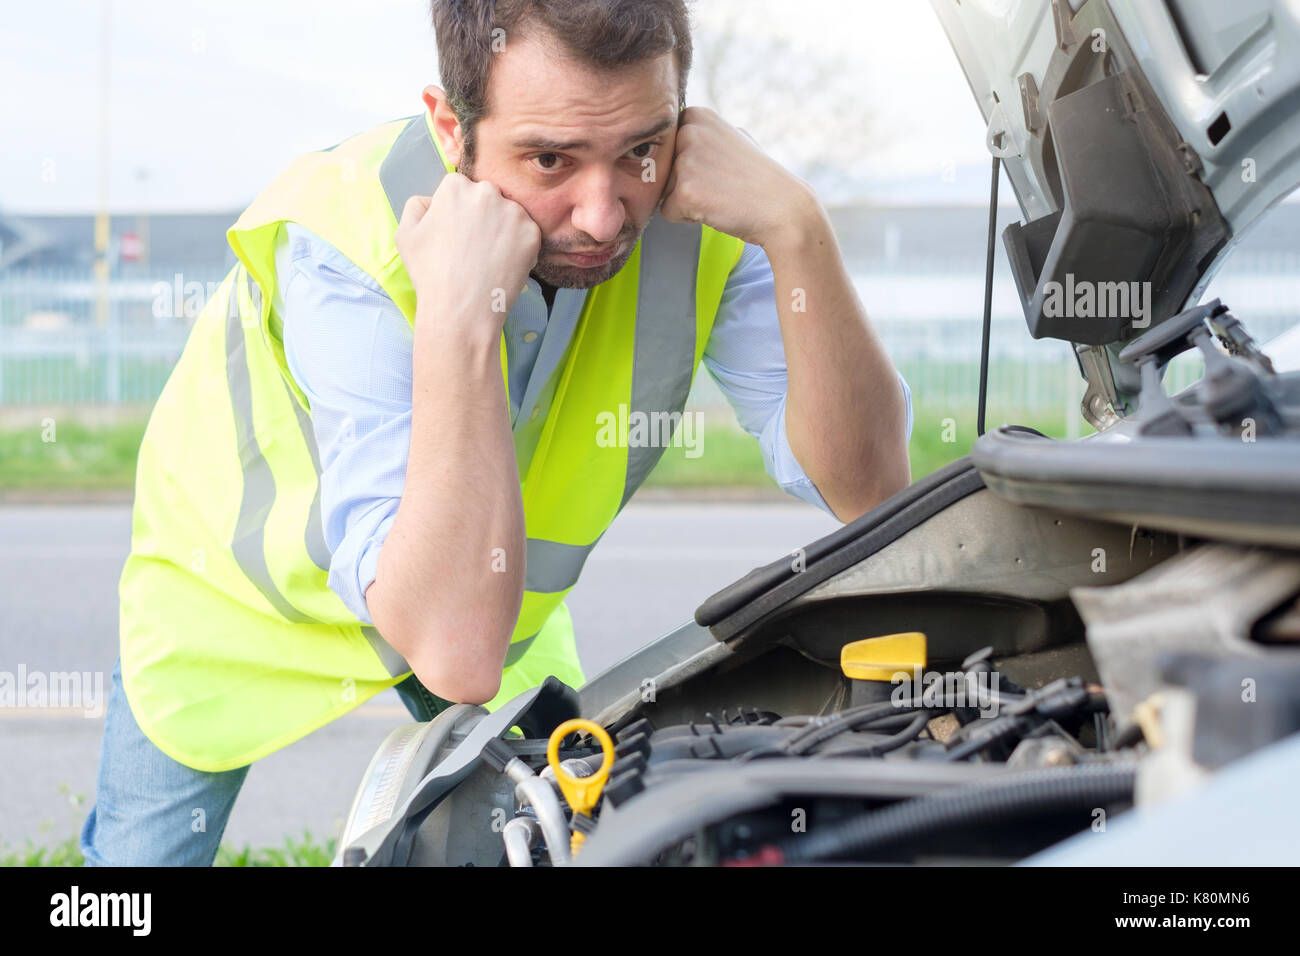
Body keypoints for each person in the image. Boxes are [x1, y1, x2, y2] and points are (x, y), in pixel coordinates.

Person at [80, 0, 912, 866]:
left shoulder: (700, 219)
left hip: (478, 588)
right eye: (549, 158)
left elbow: (871, 493)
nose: (601, 214)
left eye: (640, 147)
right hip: (238, 605)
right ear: (451, 126)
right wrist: (457, 312)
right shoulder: (345, 240)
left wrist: (799, 231)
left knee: (551, 837)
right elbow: (448, 650)